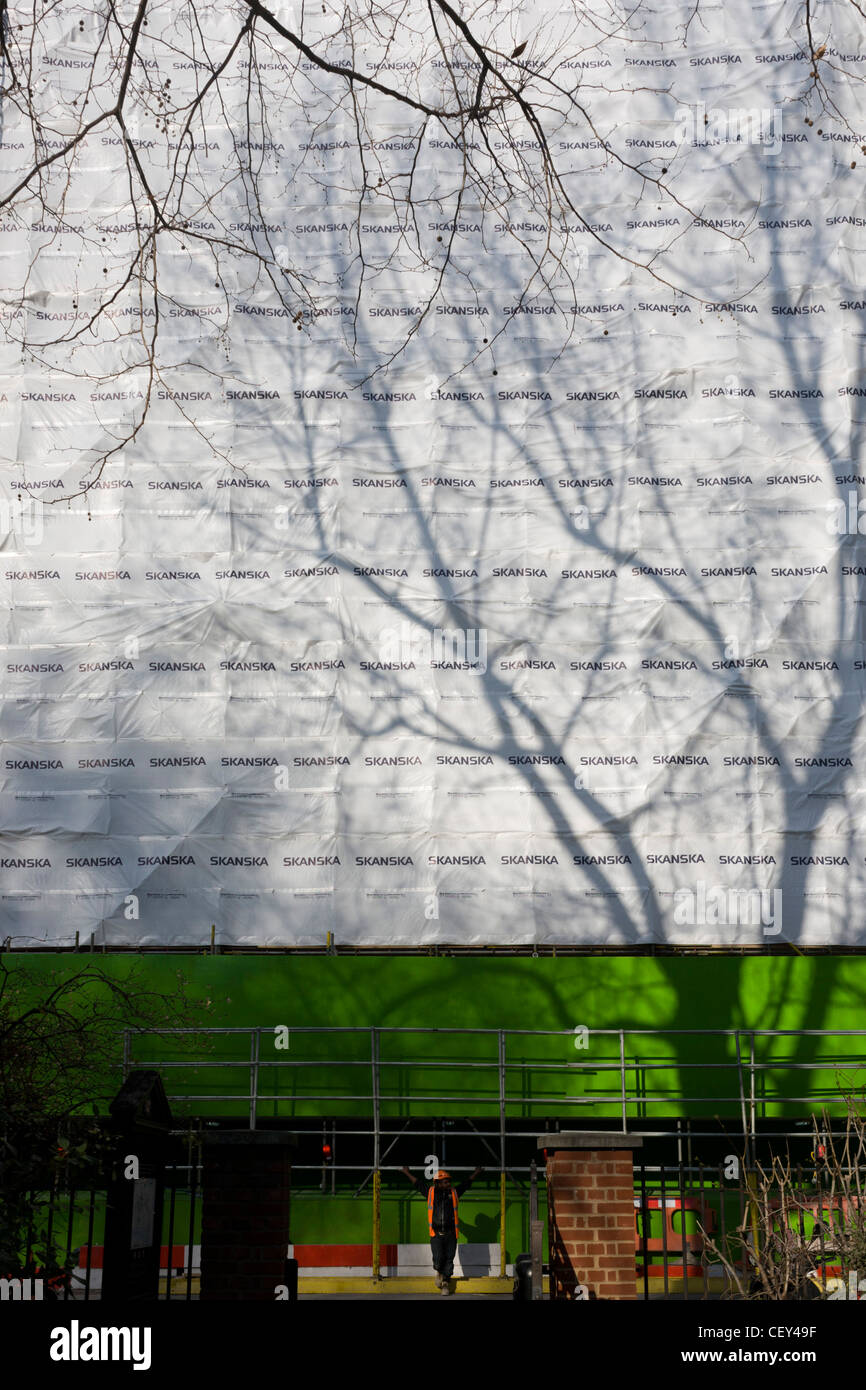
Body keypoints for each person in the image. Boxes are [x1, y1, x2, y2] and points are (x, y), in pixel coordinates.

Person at [401, 1163, 485, 1295]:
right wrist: (406, 1173)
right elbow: (417, 1183)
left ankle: (445, 1283)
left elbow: (466, 1184)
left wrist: (476, 1173)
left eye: (449, 1182)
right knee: (439, 1258)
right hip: (436, 1234)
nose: (448, 1184)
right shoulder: (430, 1192)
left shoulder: (454, 1193)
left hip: (451, 1234)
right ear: (438, 1183)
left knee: (449, 1259)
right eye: (445, 1182)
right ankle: (439, 1272)